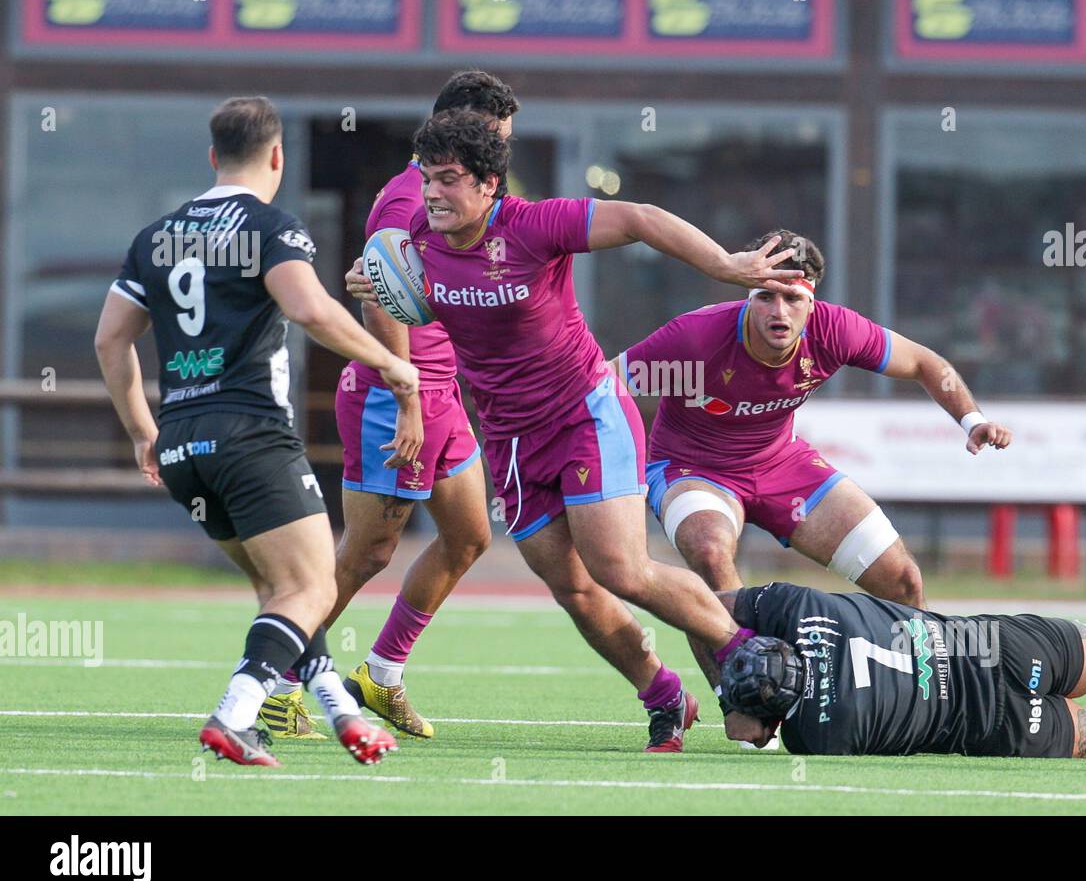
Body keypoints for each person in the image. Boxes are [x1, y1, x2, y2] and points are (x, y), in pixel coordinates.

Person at [345, 109, 803, 750]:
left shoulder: (535, 225)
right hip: (508, 438)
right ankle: (664, 695)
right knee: (573, 588)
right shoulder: (413, 236)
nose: (432, 193)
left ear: (488, 184)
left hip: (585, 411)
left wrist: (725, 265)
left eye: (449, 180)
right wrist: (370, 286)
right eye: (427, 178)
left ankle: (756, 653)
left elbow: (641, 218)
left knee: (619, 567)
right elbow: (382, 288)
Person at [94, 96, 413, 767]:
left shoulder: (156, 235)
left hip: (182, 443)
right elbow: (307, 307)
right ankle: (235, 716)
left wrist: (140, 431)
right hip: (250, 434)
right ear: (277, 156)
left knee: (284, 589)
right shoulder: (271, 226)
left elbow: (109, 340)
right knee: (311, 586)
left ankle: (342, 713)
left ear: (213, 157)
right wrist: (389, 362)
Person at [261, 72, 517, 742]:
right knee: (365, 555)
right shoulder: (408, 197)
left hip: (441, 394)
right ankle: (273, 687)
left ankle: (381, 673)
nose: (501, 158)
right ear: (461, 130)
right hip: (393, 396)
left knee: (468, 538)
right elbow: (377, 296)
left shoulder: (472, 194)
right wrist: (406, 397)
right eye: (495, 140)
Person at [618, 230, 1011, 608]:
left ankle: (928, 677)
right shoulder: (696, 338)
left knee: (903, 580)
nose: (778, 311)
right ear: (748, 298)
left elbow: (925, 363)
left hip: (780, 463)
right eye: (765, 297)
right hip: (692, 470)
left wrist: (971, 419)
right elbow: (604, 384)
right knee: (710, 553)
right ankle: (739, 674)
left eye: (791, 298)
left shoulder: (836, 331)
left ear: (811, 302)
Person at [699, 581, 1086, 763]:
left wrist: (739, 705)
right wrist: (737, 649)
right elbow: (722, 602)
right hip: (998, 645)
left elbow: (747, 734)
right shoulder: (805, 608)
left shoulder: (818, 738)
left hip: (996, 722)